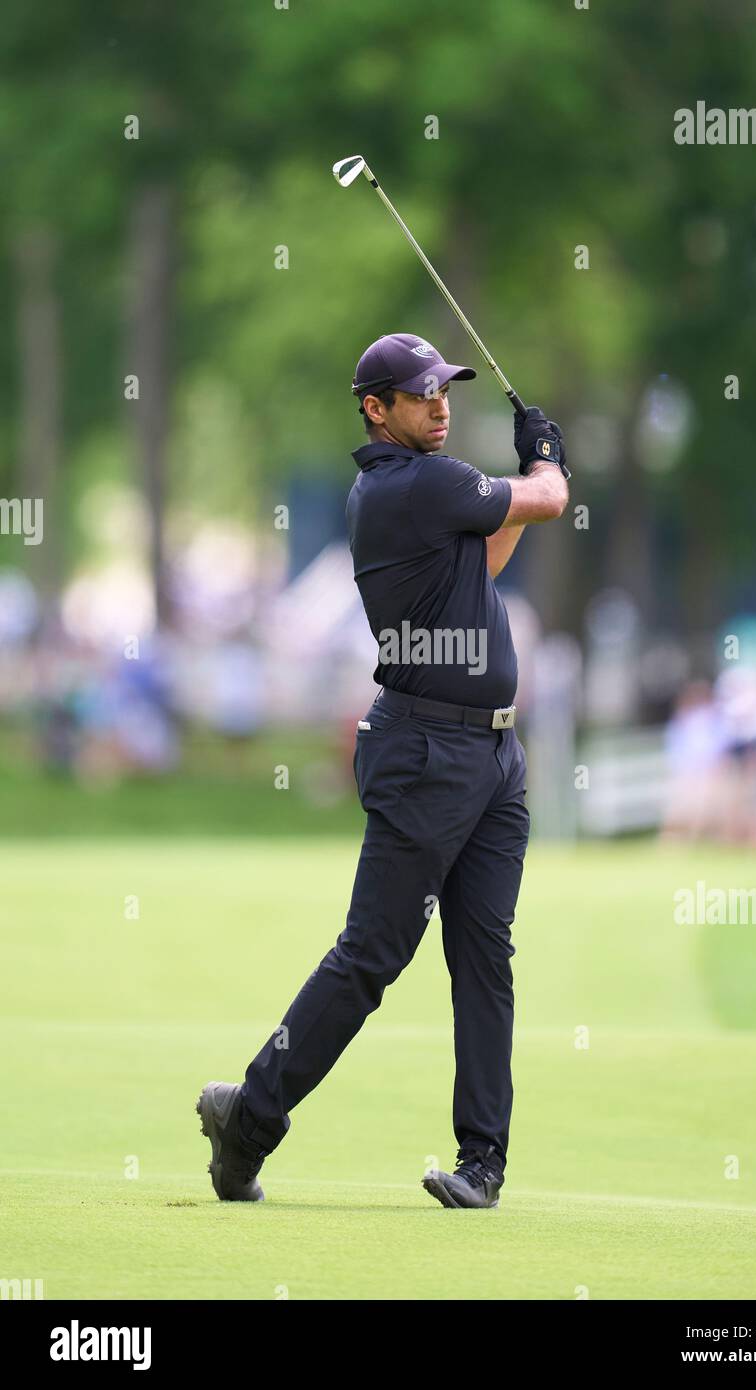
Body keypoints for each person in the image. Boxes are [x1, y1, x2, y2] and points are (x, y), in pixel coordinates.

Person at [197, 332, 569, 1209]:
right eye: (423, 394)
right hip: (427, 751)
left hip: (494, 755)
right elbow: (547, 499)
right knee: (373, 954)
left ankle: (482, 1162)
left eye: (447, 390)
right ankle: (248, 1123)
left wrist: (520, 489)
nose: (442, 404)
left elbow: (486, 558)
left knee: (485, 954)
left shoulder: (427, 493)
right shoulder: (414, 485)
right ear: (378, 408)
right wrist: (546, 456)